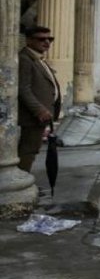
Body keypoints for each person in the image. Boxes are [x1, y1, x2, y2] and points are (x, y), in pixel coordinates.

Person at [17, 25, 61, 173]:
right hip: (33, 116)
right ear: (29, 40)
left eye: (50, 39)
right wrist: (39, 110)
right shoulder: (25, 59)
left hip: (42, 115)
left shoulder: (38, 58)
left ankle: (24, 178)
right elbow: (23, 89)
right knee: (28, 150)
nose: (47, 42)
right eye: (41, 39)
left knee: (32, 149)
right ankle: (22, 179)